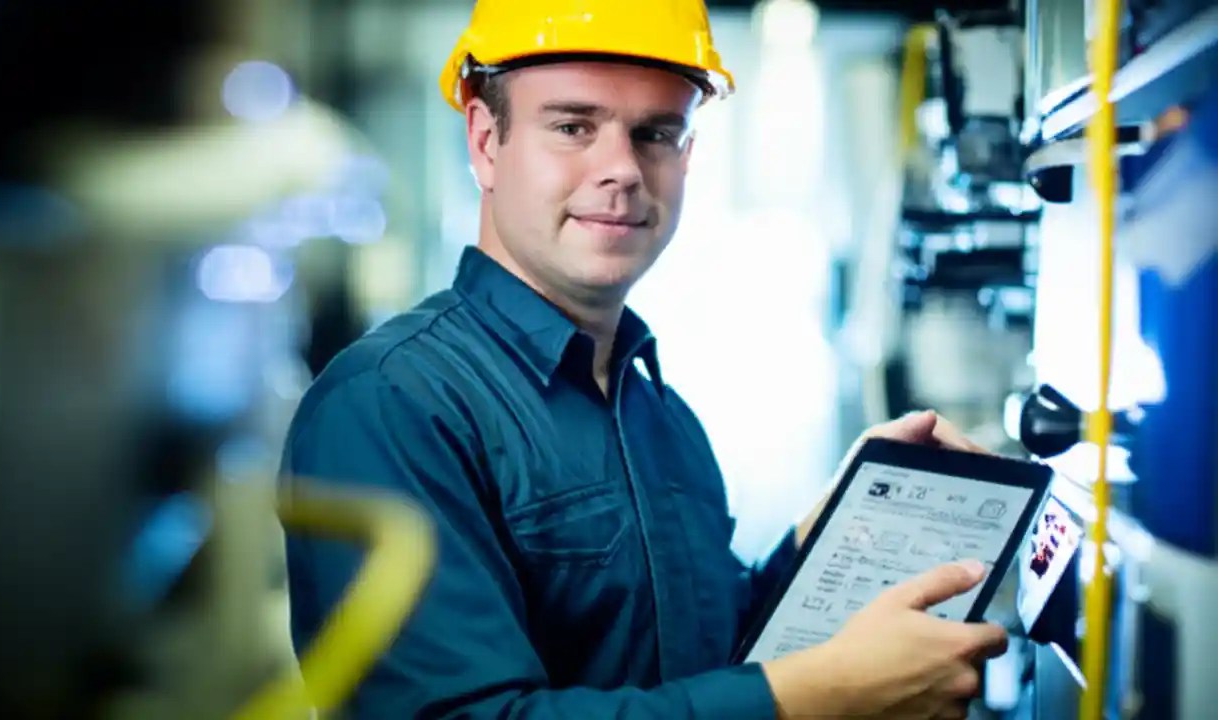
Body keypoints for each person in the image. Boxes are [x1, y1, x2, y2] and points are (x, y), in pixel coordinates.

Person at [282, 1, 1008, 717]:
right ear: (484, 141)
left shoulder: (658, 414)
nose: (623, 170)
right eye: (573, 127)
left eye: (656, 133)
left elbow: (697, 666)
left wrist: (818, 543)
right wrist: (807, 700)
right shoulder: (391, 404)